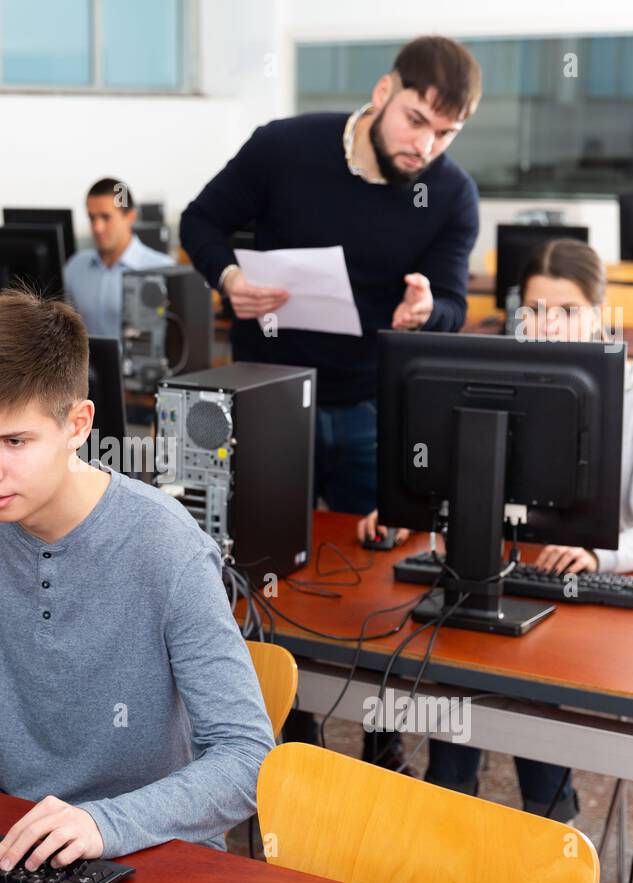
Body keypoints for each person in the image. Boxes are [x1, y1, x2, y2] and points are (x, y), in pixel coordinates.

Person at [0, 288, 274, 870]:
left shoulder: (166, 546)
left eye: (15, 442)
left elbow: (246, 757)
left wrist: (106, 822)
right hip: (20, 835)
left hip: (155, 844)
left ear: (78, 424)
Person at [180, 34, 483, 758]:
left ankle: (383, 744)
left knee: (380, 579)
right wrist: (227, 279)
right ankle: (292, 732)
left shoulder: (449, 193)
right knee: (270, 569)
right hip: (270, 399)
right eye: (416, 120)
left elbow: (455, 302)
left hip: (374, 405)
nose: (426, 145)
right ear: (384, 92)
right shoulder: (286, 147)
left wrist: (426, 311)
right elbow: (200, 220)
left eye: (446, 133)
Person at [358, 238, 633, 820]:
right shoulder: (490, 377)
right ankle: (445, 839)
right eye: (535, 311)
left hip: (568, 604)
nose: (548, 327)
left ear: (598, 313)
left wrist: (596, 554)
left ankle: (550, 827)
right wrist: (401, 516)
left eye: (566, 312)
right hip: (481, 578)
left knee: (531, 710)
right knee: (454, 705)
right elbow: (440, 479)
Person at [63, 177, 174, 339]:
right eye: (92, 218)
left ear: (130, 217)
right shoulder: (75, 267)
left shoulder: (163, 268)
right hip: (86, 364)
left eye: (106, 217)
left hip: (140, 363)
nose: (97, 228)